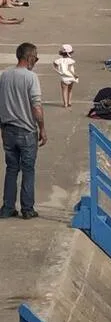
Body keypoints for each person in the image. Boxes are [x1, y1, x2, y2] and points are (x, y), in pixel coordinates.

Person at [0, 42, 45, 219]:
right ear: (29, 57)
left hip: (8, 130)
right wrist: (42, 128)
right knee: (28, 170)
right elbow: (36, 107)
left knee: (11, 169)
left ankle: (7, 207)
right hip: (26, 131)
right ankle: (27, 209)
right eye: (36, 58)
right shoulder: (30, 77)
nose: (36, 61)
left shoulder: (4, 75)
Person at [54, 44, 78, 109]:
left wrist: (58, 70)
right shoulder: (70, 60)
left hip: (64, 78)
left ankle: (65, 104)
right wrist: (75, 75)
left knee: (64, 91)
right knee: (70, 90)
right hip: (71, 77)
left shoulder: (59, 60)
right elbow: (70, 69)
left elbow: (55, 64)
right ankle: (69, 102)